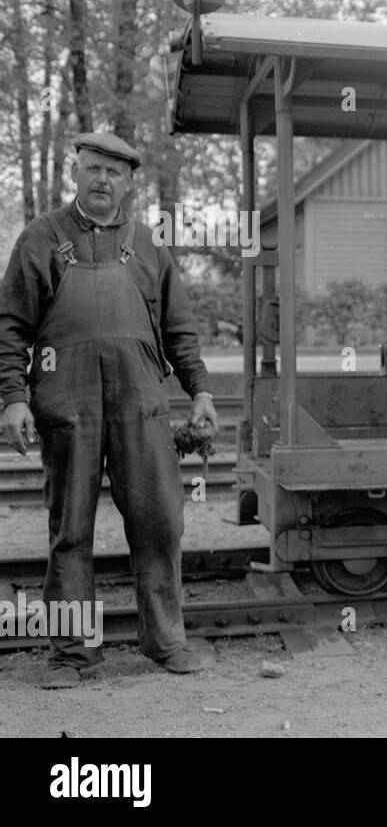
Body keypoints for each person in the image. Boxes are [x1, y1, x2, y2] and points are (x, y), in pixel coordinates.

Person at [0, 132, 219, 688]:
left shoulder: (148, 246)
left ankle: (166, 641)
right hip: (65, 404)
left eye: (114, 172)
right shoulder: (40, 240)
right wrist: (13, 398)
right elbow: (10, 328)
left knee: (159, 522)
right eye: (93, 168)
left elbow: (180, 329)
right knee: (69, 531)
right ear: (75, 172)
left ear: (128, 182)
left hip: (141, 403)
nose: (102, 179)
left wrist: (200, 391)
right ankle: (72, 654)